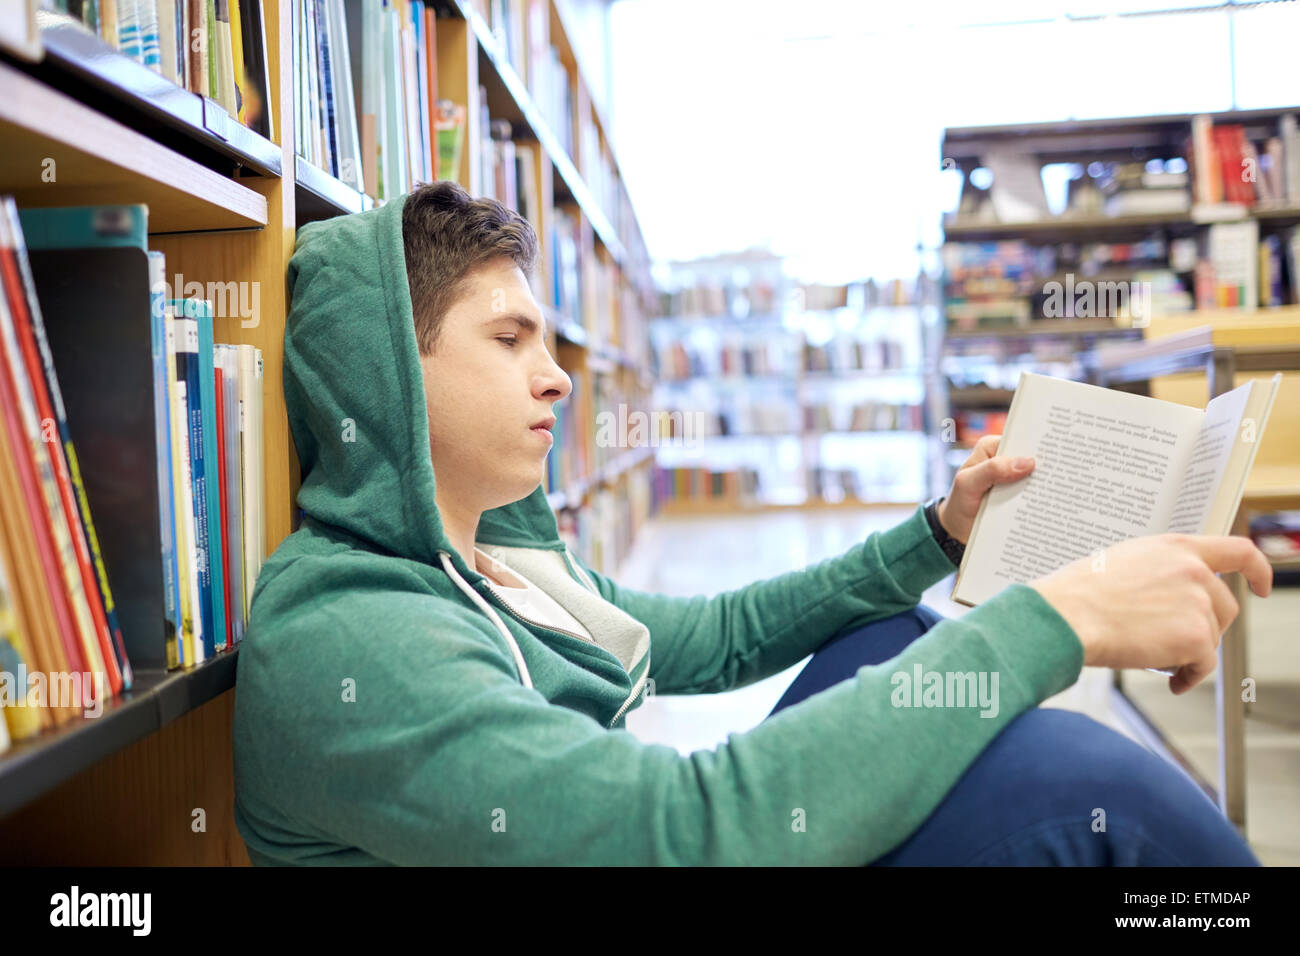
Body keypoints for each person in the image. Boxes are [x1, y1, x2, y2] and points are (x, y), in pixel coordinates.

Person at [232, 181, 1272, 866]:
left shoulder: (495, 557)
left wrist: (939, 535)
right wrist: (1057, 616)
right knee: (1090, 793)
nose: (555, 376)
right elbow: (674, 828)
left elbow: (719, 637)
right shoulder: (350, 635)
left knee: (887, 640)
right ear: (390, 381)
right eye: (508, 339)